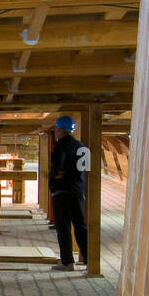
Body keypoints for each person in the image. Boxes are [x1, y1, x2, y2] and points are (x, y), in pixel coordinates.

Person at [48, 115, 89, 272]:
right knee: (80, 225)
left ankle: (67, 262)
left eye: (56, 130)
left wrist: (55, 178)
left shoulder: (60, 147)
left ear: (59, 130)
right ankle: (88, 259)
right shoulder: (81, 147)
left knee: (63, 227)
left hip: (62, 193)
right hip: (77, 192)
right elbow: (86, 169)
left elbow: (58, 170)